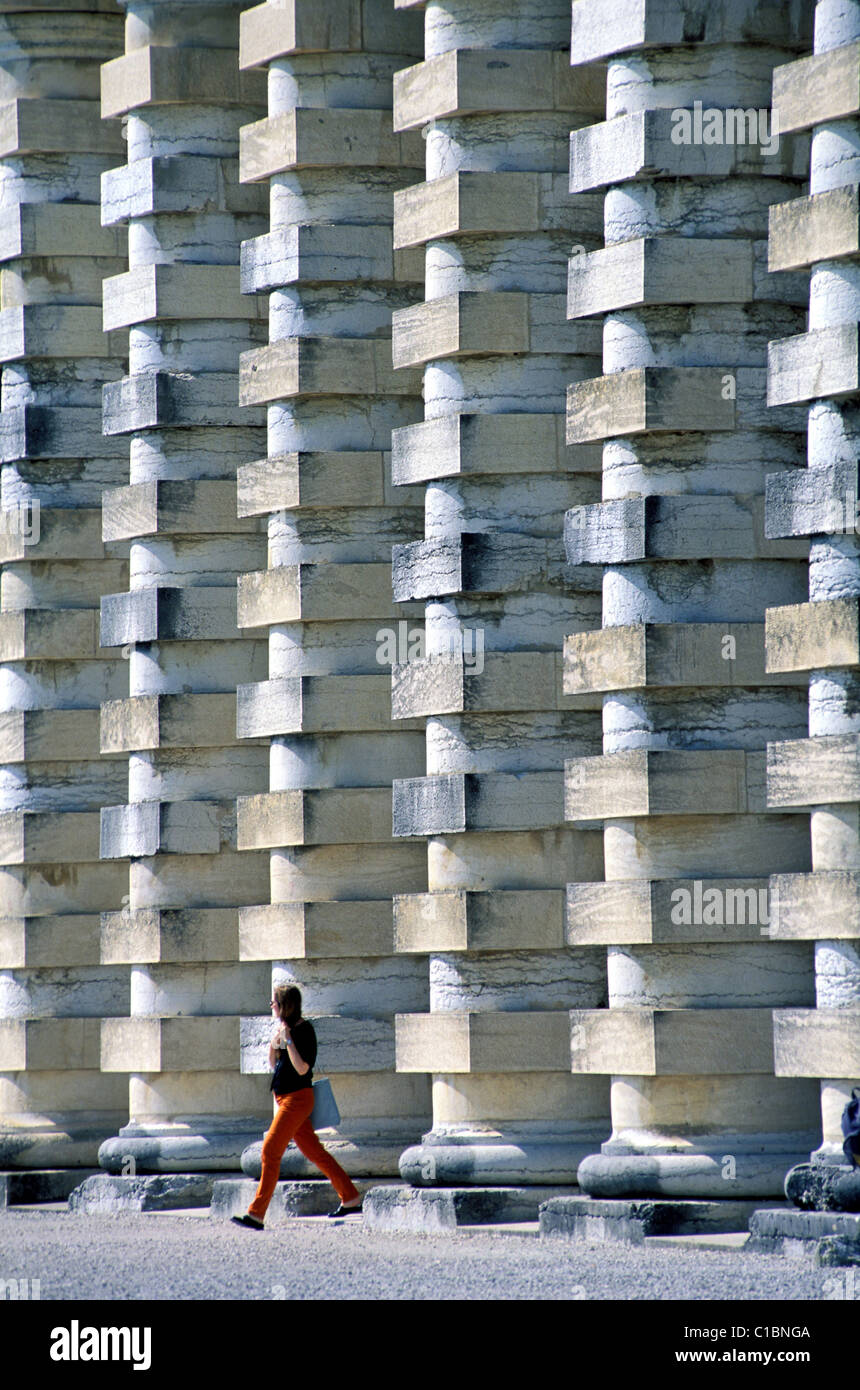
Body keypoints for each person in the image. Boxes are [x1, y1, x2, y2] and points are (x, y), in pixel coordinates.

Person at [231, 984, 362, 1229]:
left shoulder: (304, 1031)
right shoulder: (286, 1029)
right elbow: (273, 1064)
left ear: (285, 1005)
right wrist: (275, 1042)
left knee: (270, 1151)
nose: (271, 1006)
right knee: (315, 1153)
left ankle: (256, 1214)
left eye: (274, 1002)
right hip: (284, 1098)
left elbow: (303, 1069)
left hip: (297, 1099)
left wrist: (289, 1041)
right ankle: (351, 1197)